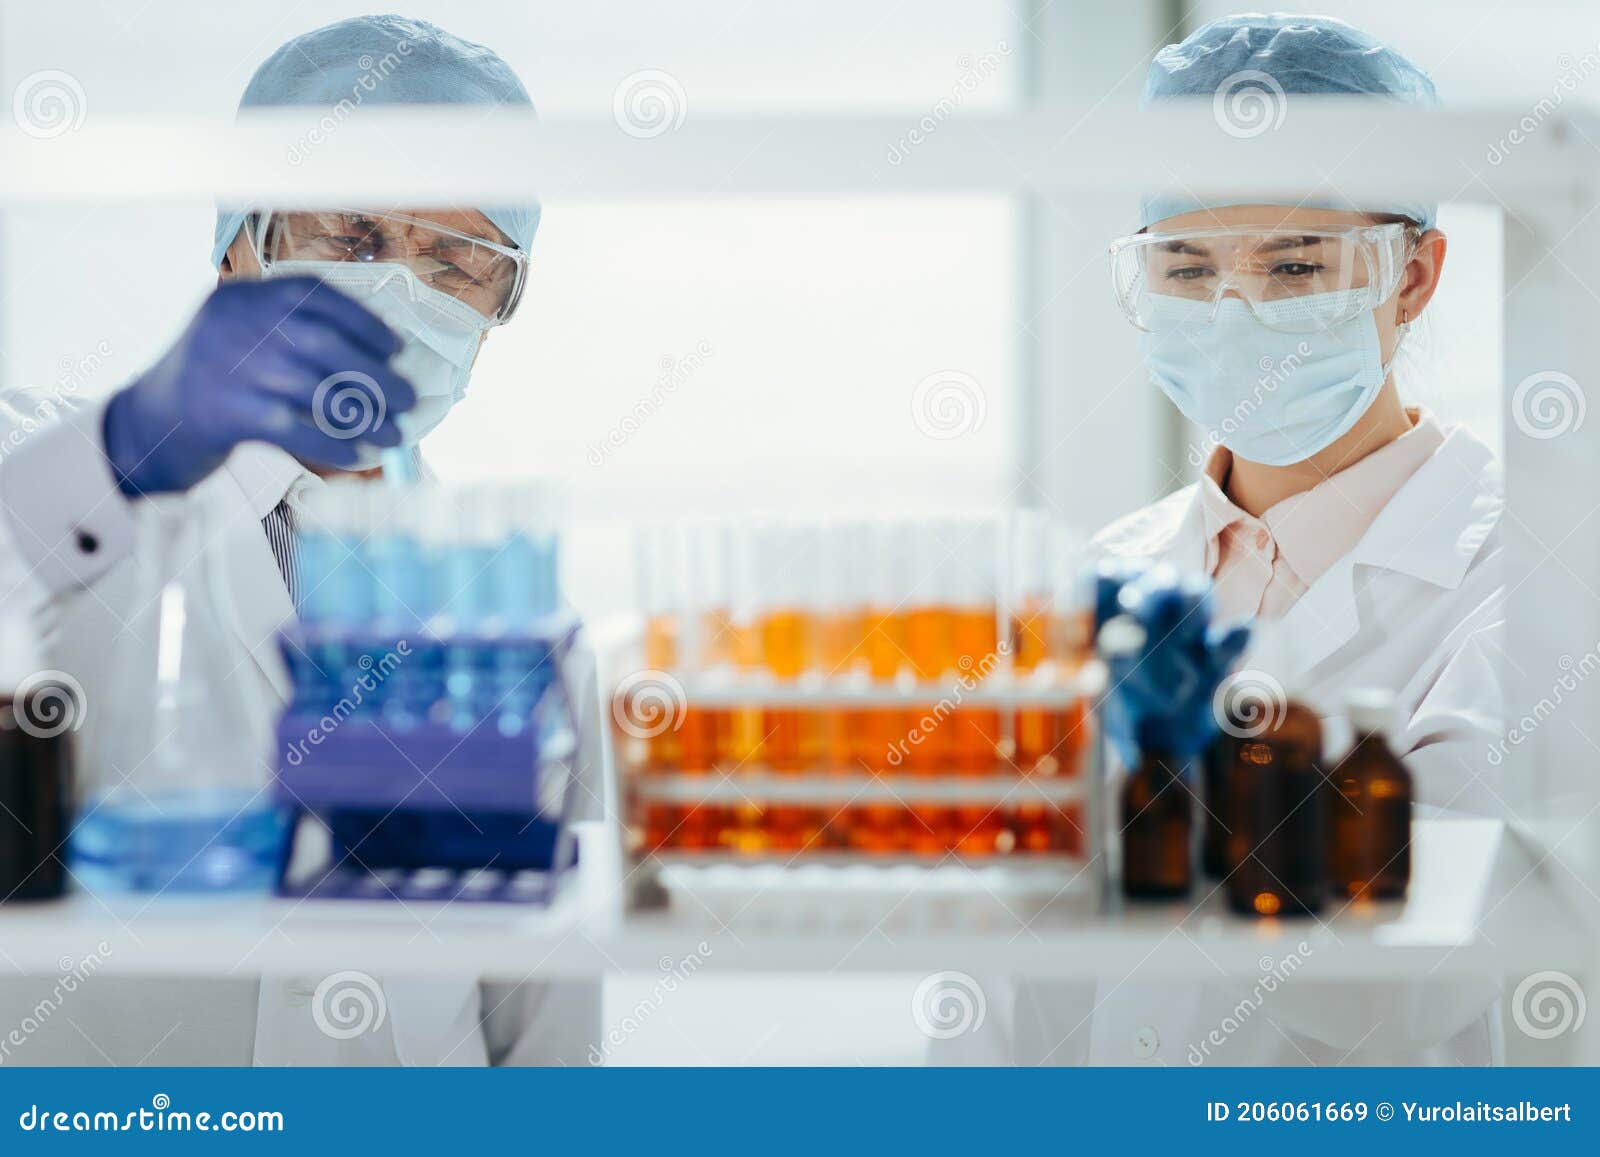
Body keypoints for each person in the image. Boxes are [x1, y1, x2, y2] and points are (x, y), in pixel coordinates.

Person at [0, 16, 602, 1066]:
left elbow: (549, 1031)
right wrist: (140, 443)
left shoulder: (514, 616)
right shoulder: (52, 469)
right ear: (240, 242)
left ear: (500, 303)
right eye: (353, 235)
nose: (398, 291)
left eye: (456, 262)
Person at [936, 14, 1504, 1066]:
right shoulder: (1108, 570)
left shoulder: (1525, 579)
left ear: (1414, 276)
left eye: (1293, 268)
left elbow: (1401, 994)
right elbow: (1004, 992)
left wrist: (1168, 781)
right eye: (1187, 269)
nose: (1234, 311)